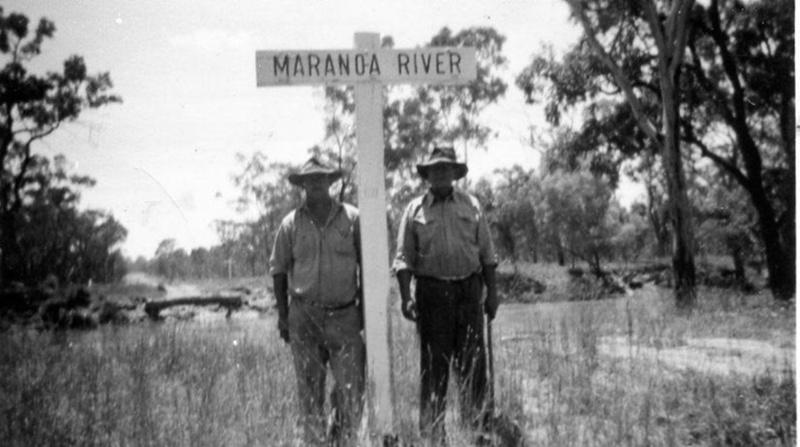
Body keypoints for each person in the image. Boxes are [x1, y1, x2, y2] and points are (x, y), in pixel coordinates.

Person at [392, 146, 499, 444]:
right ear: (427, 174)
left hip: (469, 292)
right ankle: (433, 435)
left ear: (454, 173)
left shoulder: (472, 205)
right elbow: (403, 259)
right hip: (432, 295)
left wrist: (493, 294)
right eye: (434, 169)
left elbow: (488, 254)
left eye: (445, 168)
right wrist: (406, 296)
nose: (440, 173)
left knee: (474, 366)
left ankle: (478, 431)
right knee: (433, 368)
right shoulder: (413, 210)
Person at [269, 157, 364, 446]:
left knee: (351, 386)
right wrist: (283, 316)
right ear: (303, 186)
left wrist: (366, 312)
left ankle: (342, 437)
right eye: (310, 180)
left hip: (344, 315)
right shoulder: (290, 223)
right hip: (305, 315)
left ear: (330, 182)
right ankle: (314, 441)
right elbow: (278, 270)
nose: (316, 185)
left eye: (321, 179)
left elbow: (367, 263)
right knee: (309, 388)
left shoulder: (352, 218)